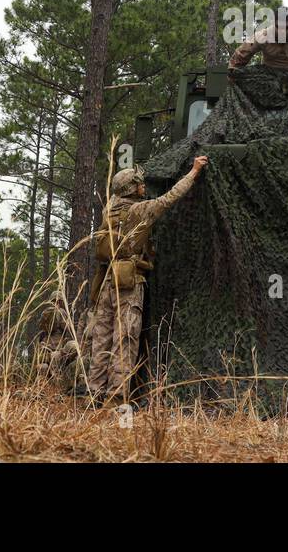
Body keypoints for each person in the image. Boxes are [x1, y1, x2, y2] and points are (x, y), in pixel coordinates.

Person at [84, 154, 209, 403]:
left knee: (101, 340)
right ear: (131, 189)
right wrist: (193, 172)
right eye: (140, 183)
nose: (144, 187)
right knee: (125, 340)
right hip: (128, 283)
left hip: (106, 280)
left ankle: (94, 394)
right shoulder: (139, 210)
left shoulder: (110, 208)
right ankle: (116, 398)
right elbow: (170, 198)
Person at [228, 5, 288, 74]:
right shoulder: (261, 36)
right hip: (267, 74)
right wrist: (233, 72)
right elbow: (241, 55)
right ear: (273, 23)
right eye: (279, 27)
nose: (282, 31)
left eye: (286, 28)